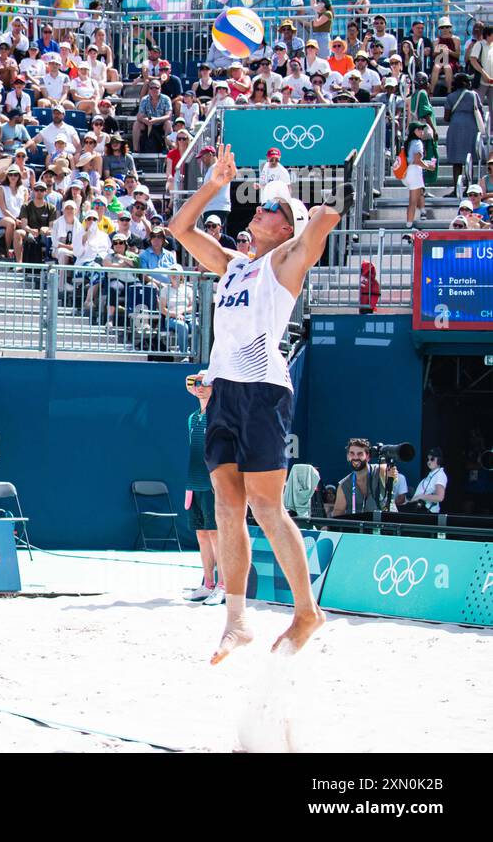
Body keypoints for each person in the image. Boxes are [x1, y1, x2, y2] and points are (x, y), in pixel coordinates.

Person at [167, 155, 340, 664]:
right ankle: (237, 619)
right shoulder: (234, 265)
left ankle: (306, 611)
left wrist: (314, 206)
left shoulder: (284, 265)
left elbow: (323, 224)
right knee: (226, 505)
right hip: (223, 391)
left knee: (266, 507)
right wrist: (213, 184)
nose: (256, 211)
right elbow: (180, 228)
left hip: (263, 390)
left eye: (267, 209)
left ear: (284, 226)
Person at [184, 374, 225, 606]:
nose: (200, 387)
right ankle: (208, 583)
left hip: (214, 485)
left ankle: (223, 585)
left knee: (216, 535)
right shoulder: (192, 418)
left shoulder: (220, 416)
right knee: (202, 534)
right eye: (197, 384)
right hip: (195, 482)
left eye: (206, 383)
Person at [331, 438, 410, 516]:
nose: (355, 457)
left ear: (368, 457)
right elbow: (338, 512)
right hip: (359, 527)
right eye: (352, 453)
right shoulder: (344, 485)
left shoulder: (379, 470)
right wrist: (329, 526)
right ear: (348, 457)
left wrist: (392, 475)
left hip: (386, 524)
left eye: (360, 454)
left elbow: (387, 472)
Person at [404, 448, 448, 513]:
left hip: (428, 513)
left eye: (432, 459)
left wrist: (420, 496)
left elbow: (439, 497)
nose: (429, 462)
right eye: (428, 459)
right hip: (421, 511)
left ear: (439, 460)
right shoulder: (432, 475)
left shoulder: (440, 475)